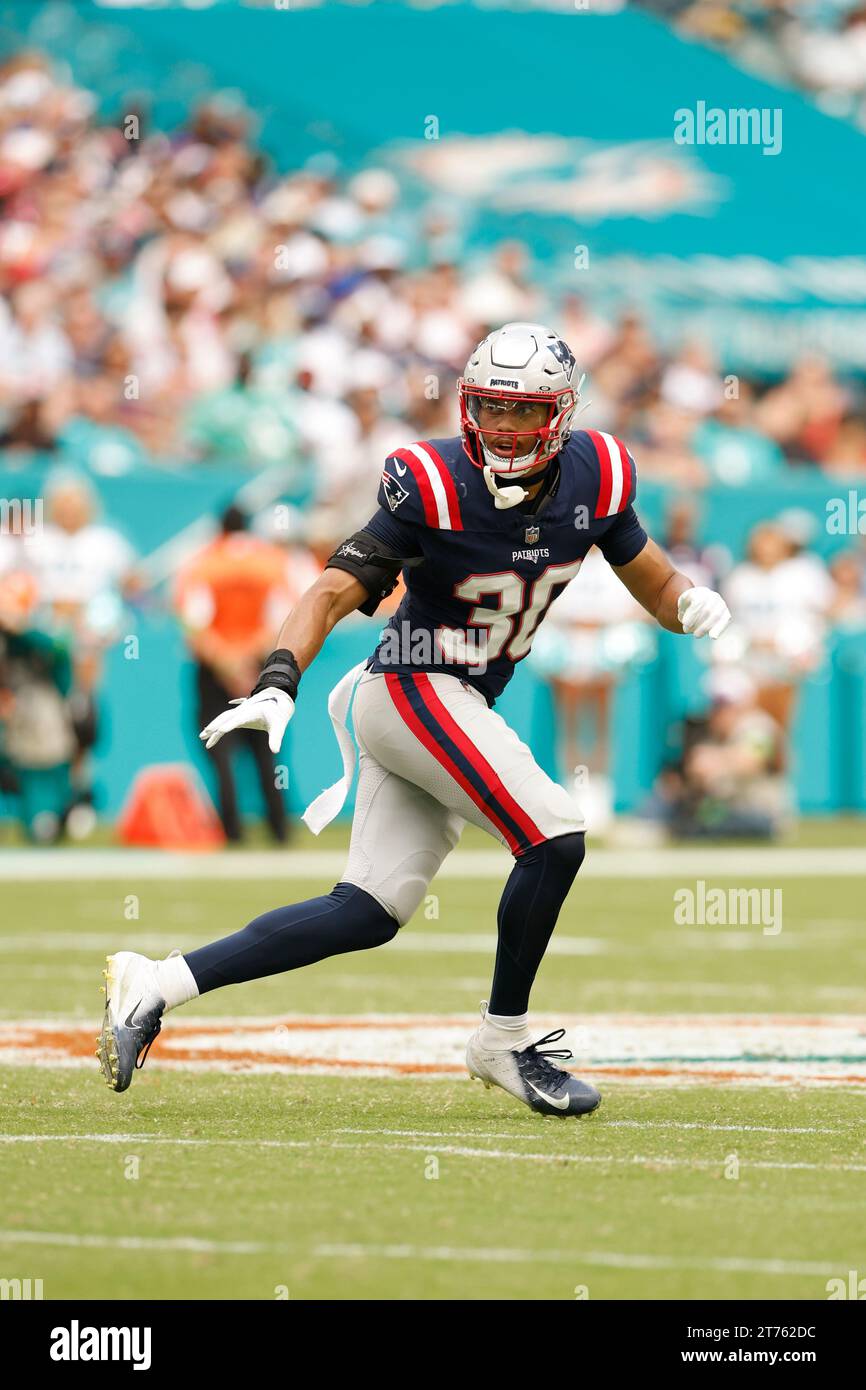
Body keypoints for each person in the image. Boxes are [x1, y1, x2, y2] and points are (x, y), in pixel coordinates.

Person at [97, 322, 731, 1119]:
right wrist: (279, 680)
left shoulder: (598, 476)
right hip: (413, 687)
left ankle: (154, 983)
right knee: (554, 834)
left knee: (368, 911)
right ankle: (503, 1038)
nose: (503, 426)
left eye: (523, 410)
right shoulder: (429, 480)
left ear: (560, 415)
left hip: (454, 699)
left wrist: (690, 602)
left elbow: (656, 583)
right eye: (490, 406)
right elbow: (331, 586)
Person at [174, 505, 316, 843]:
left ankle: (232, 833)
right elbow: (284, 621)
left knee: (220, 754)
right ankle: (280, 832)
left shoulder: (202, 564)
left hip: (214, 673)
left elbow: (192, 625)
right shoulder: (272, 563)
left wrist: (227, 662)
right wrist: (248, 662)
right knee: (268, 753)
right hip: (262, 669)